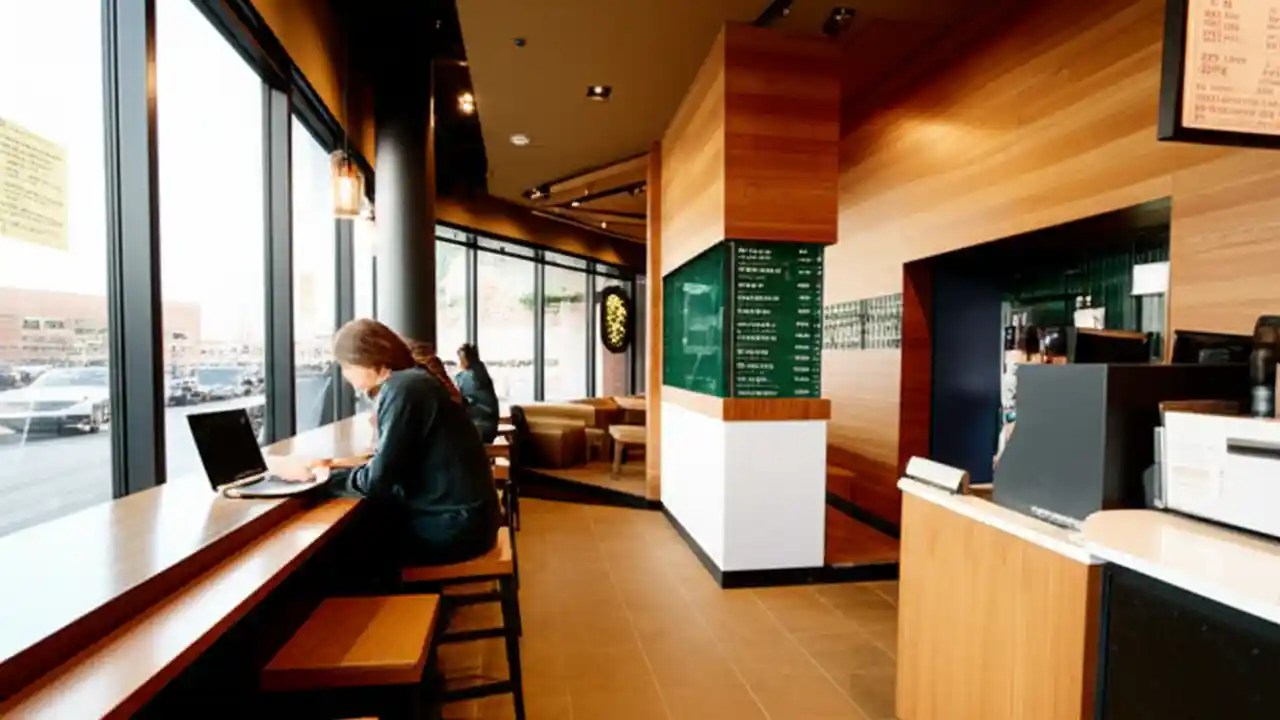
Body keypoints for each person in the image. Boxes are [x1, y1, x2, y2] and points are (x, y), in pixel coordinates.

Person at [316, 319, 500, 566]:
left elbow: (379, 480)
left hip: (456, 525)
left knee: (335, 550)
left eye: (345, 366)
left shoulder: (403, 388)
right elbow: (391, 465)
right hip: (470, 518)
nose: (345, 376)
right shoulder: (413, 381)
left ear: (363, 360)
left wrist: (323, 479)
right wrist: (336, 468)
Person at [455, 343, 500, 443]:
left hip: (477, 428)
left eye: (460, 359)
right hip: (491, 426)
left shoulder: (465, 377)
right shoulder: (482, 373)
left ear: (465, 360)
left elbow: (458, 398)